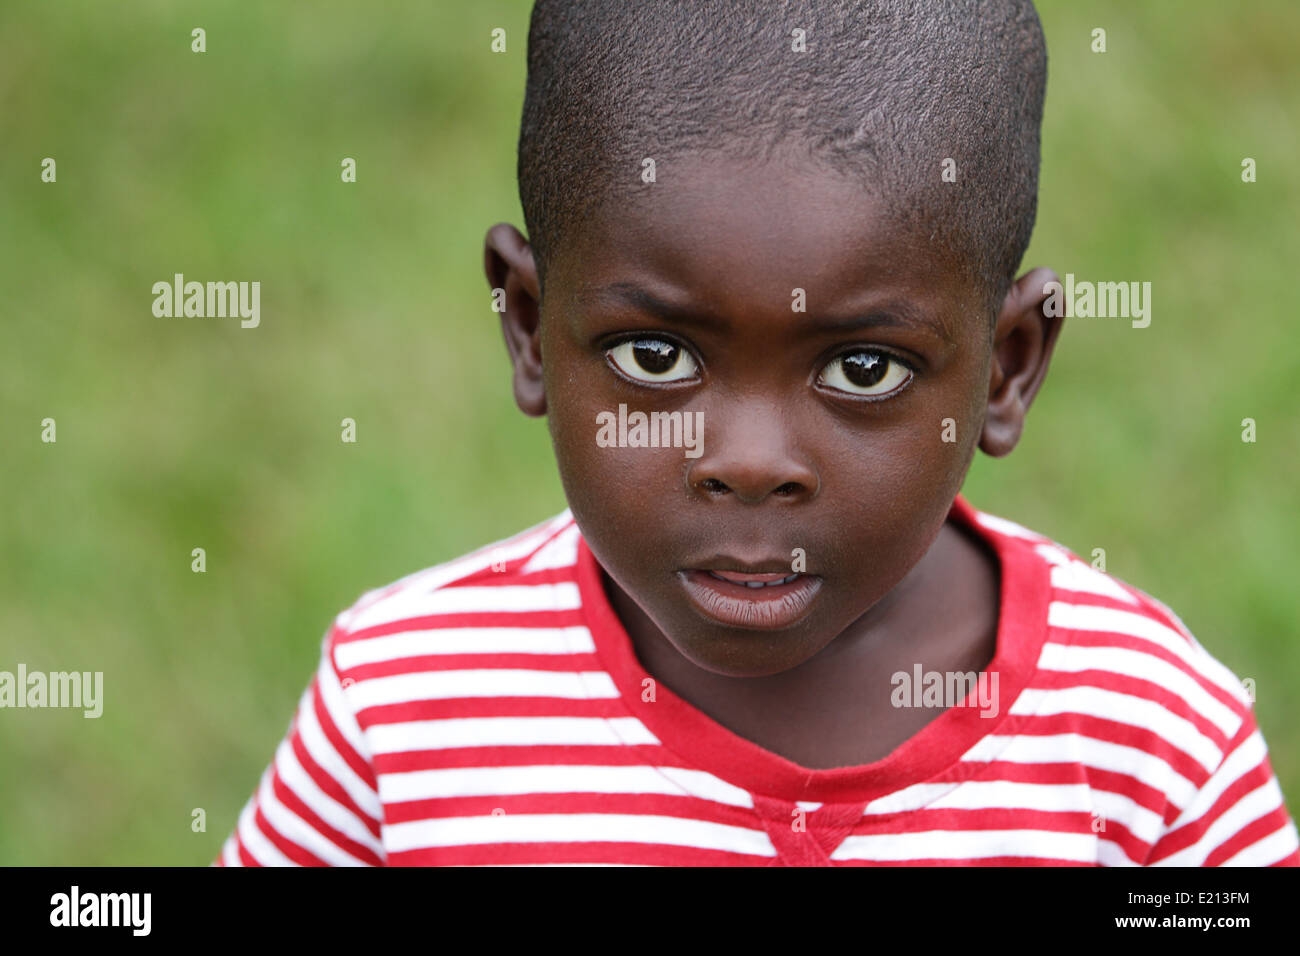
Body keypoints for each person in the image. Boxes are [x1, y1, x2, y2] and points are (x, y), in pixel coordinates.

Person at [215, 0, 1299, 866]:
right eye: (654, 357)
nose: (743, 460)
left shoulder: (1146, 742)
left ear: (1009, 366)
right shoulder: (405, 705)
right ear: (530, 328)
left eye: (862, 369)